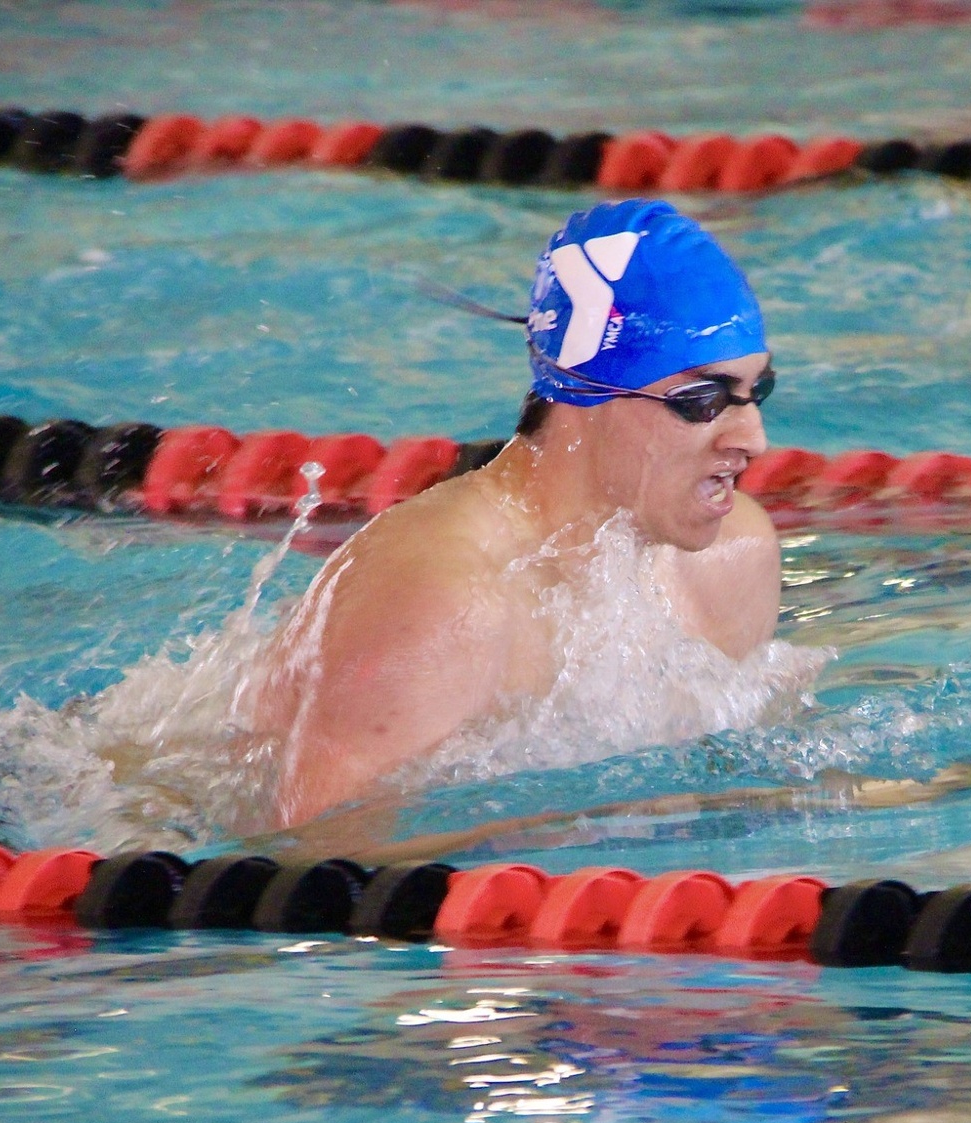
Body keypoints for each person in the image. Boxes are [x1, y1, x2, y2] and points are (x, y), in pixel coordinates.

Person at [254, 199, 784, 825]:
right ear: (587, 392)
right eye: (703, 400)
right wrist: (606, 819)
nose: (753, 439)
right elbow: (315, 854)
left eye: (756, 392)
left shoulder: (733, 557)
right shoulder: (442, 602)